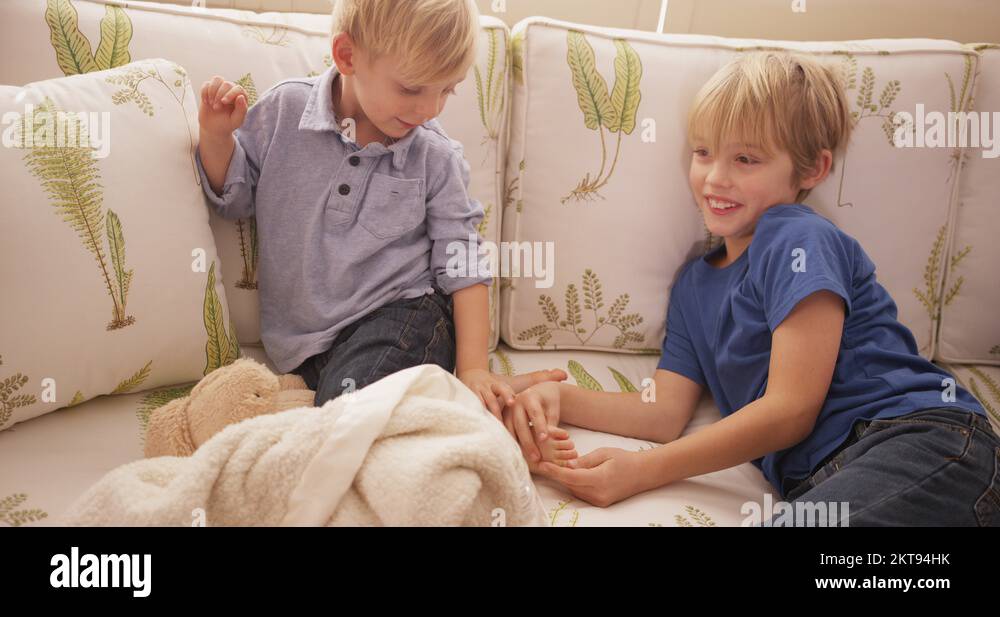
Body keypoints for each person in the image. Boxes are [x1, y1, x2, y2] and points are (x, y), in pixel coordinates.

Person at [506, 51, 1000, 525]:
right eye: (703, 152)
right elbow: (662, 414)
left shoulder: (796, 238)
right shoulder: (693, 286)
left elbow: (791, 411)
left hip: (921, 440)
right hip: (830, 481)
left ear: (811, 170)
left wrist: (641, 471)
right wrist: (559, 396)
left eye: (746, 159)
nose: (715, 178)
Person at [195, 0, 576, 467]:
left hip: (403, 318)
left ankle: (465, 402)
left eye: (447, 92)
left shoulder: (434, 157)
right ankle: (459, 403)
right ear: (348, 57)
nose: (429, 109)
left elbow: (463, 264)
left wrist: (476, 366)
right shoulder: (283, 112)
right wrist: (217, 138)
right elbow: (234, 198)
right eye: (413, 88)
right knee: (343, 411)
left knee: (344, 424)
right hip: (306, 346)